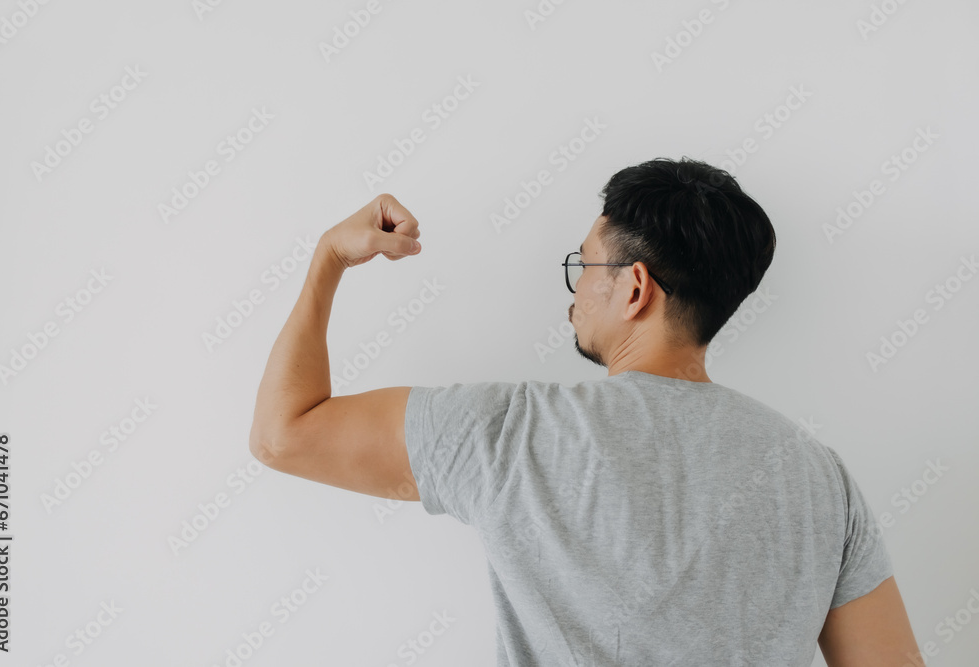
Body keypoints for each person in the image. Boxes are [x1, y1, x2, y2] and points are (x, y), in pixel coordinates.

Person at [249, 157, 921, 665]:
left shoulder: (509, 432)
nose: (575, 294)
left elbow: (284, 433)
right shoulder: (818, 478)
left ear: (634, 288)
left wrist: (329, 259)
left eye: (586, 267)